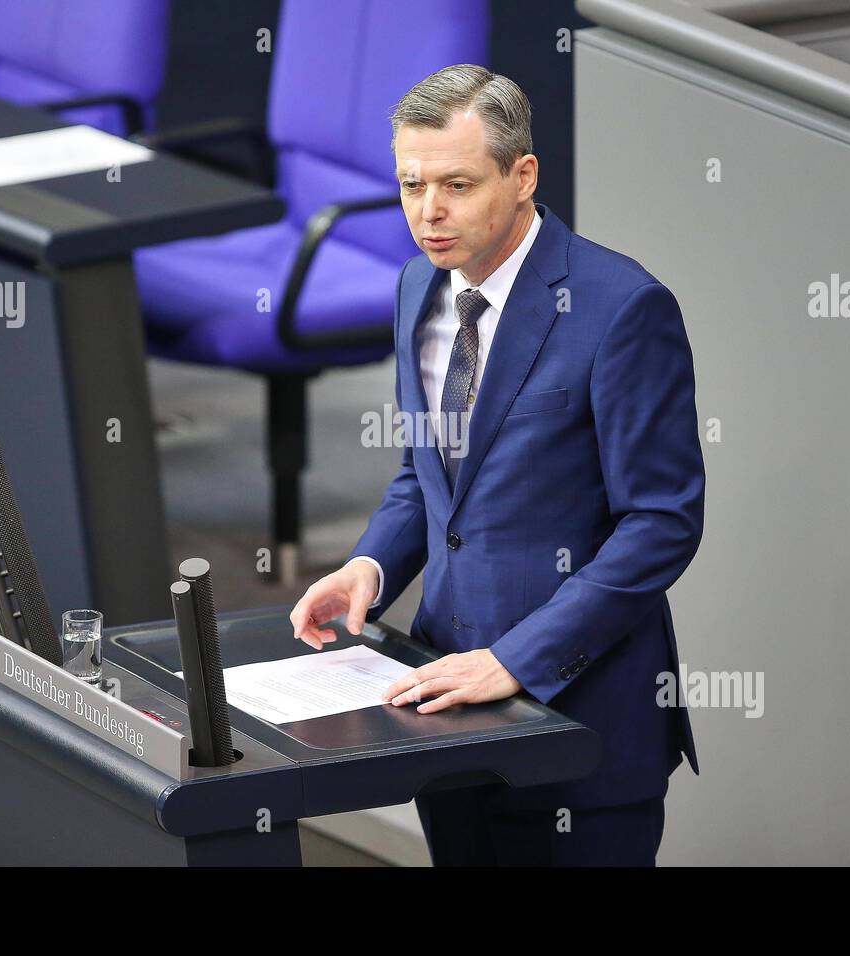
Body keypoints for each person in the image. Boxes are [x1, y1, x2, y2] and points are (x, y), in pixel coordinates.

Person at [289, 64, 704, 866]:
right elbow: (432, 473)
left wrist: (516, 660)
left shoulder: (622, 309)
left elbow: (661, 524)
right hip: (445, 709)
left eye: (457, 184)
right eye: (411, 185)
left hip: (580, 725)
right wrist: (371, 565)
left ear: (523, 177)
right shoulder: (419, 285)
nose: (428, 213)